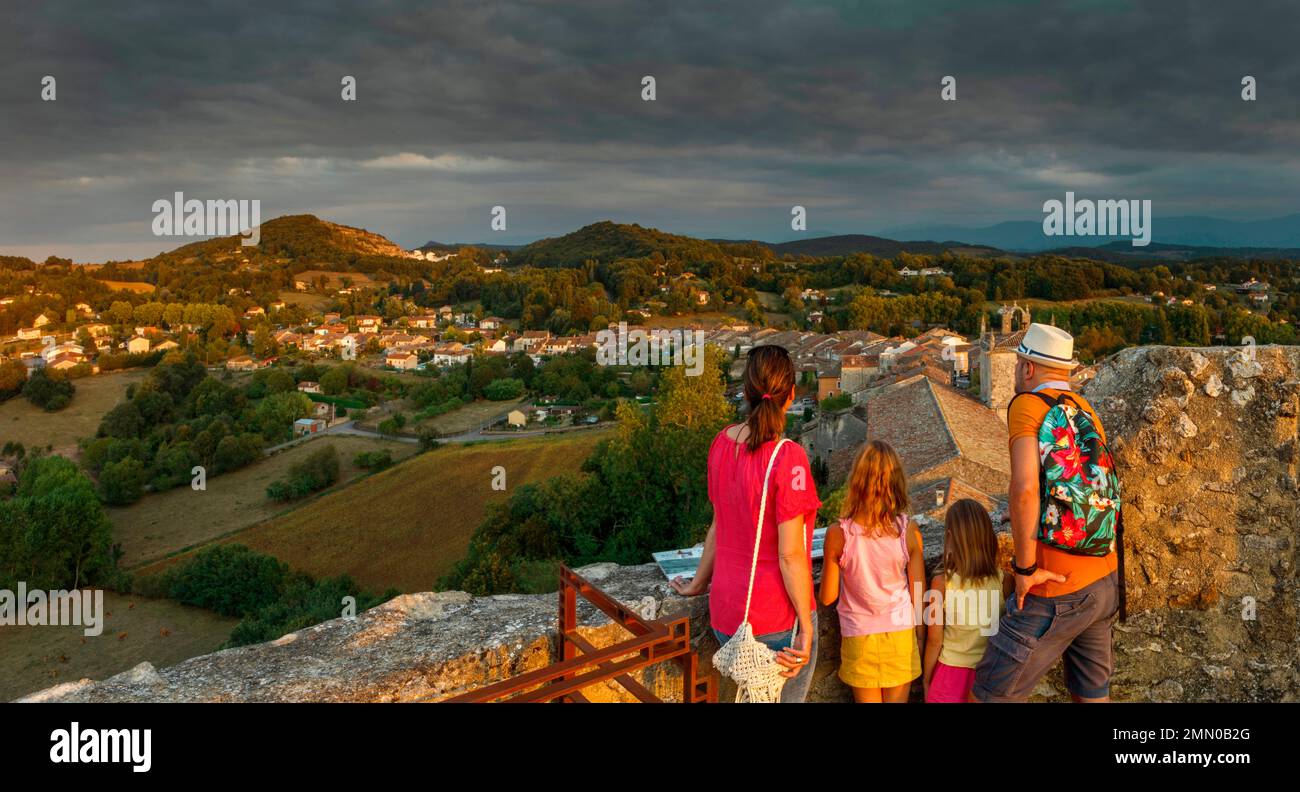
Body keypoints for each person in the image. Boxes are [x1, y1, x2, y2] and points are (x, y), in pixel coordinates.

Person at [971, 323, 1121, 703]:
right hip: (1104, 578)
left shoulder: (1028, 405)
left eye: (1019, 365)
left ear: (1027, 368)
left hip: (1056, 584)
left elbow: (1025, 488)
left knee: (991, 693)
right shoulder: (1086, 409)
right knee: (1091, 694)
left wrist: (1024, 570)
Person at [670, 344, 822, 702]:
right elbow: (790, 556)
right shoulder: (789, 457)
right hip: (774, 618)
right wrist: (806, 626)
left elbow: (717, 527)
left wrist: (696, 584)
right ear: (792, 395)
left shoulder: (721, 444)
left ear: (746, 391)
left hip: (726, 614)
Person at [818, 440, 924, 703]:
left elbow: (827, 597)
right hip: (900, 634)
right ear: (896, 482)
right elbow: (919, 596)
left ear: (857, 481)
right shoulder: (907, 531)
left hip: (859, 635)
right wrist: (920, 641)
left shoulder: (838, 534)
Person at [922, 498, 1012, 703]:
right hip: (989, 674)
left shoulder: (941, 583)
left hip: (949, 674)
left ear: (950, 537)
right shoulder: (1005, 580)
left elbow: (935, 640)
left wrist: (927, 679)